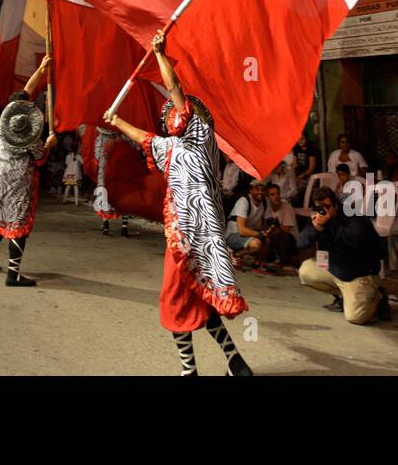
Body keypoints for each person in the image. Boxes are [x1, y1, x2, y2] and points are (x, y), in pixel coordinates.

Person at [105, 31, 251, 377]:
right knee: (199, 299)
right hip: (197, 240)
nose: (171, 116)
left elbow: (174, 92)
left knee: (173, 303)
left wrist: (159, 53)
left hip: (188, 240)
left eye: (177, 113)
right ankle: (236, 362)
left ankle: (189, 372)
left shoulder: (191, 145)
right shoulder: (188, 148)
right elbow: (148, 138)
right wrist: (118, 122)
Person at [0, 57, 55, 286]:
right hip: (17, 182)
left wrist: (42, 68)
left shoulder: (7, 116)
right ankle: (13, 274)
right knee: (18, 223)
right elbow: (39, 156)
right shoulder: (28, 136)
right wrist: (49, 144)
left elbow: (26, 91)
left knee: (0, 217)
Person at [299, 187, 390, 324]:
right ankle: (344, 297)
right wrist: (315, 228)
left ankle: (378, 296)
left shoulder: (352, 217)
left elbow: (355, 240)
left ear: (335, 205)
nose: (324, 211)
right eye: (320, 207)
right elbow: (301, 243)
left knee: (355, 317)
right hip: (337, 268)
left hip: (360, 274)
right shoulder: (320, 218)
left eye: (327, 206)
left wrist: (330, 224)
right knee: (305, 272)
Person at [226, 179, 269, 264]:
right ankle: (234, 255)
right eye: (257, 189)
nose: (260, 192)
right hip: (233, 236)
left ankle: (256, 263)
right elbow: (242, 231)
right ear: (250, 190)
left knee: (266, 240)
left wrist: (266, 232)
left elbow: (258, 227)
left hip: (246, 236)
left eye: (263, 190)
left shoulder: (263, 204)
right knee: (256, 243)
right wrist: (260, 234)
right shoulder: (244, 201)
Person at [263, 183, 298, 265]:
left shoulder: (287, 207)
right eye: (272, 194)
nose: (276, 196)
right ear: (267, 197)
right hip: (274, 239)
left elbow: (286, 230)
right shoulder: (267, 208)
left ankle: (281, 260)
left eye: (277, 193)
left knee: (276, 234)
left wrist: (276, 225)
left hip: (289, 241)